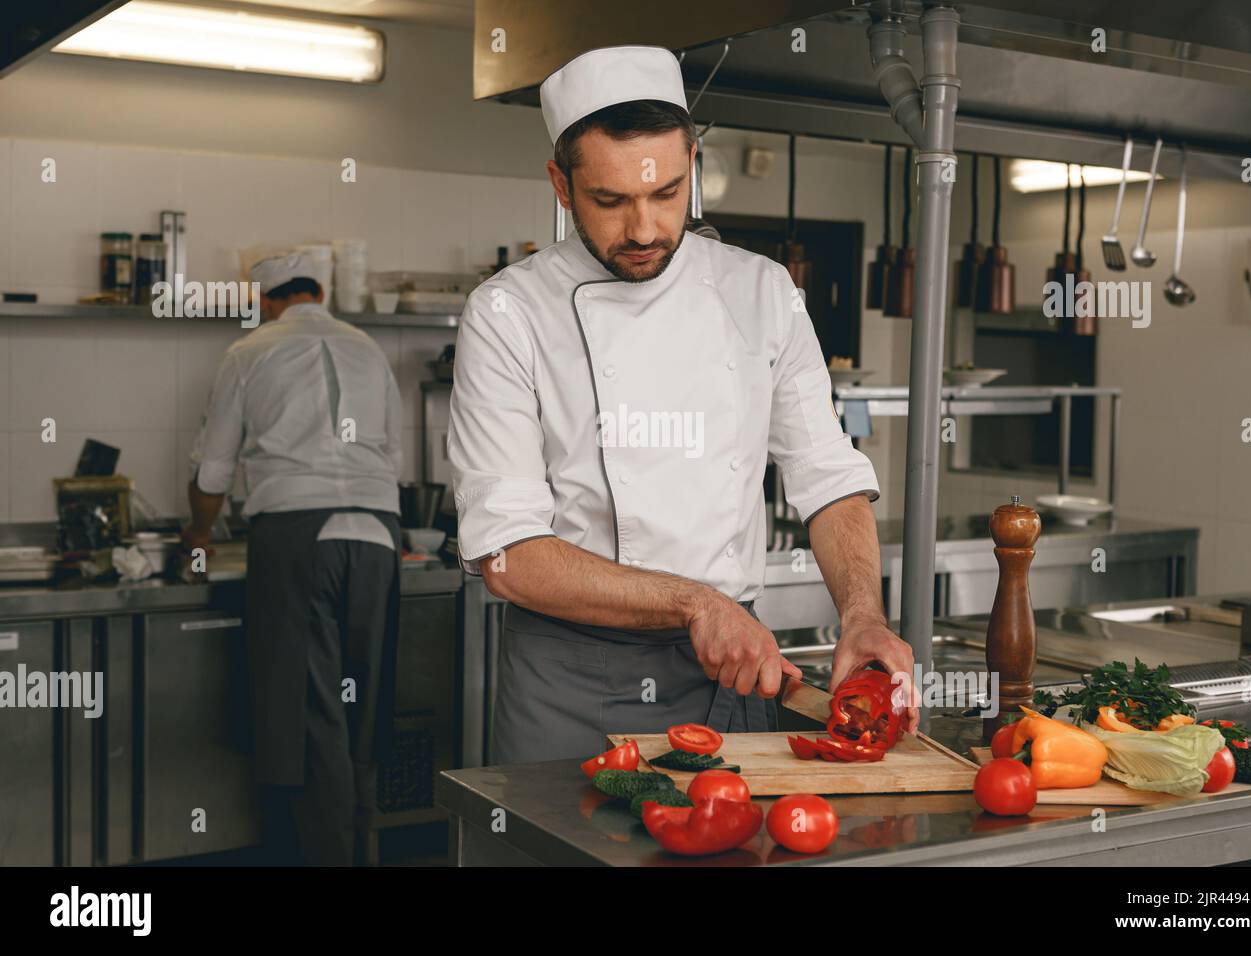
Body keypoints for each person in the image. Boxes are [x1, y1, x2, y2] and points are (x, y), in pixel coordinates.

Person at [448, 46, 917, 766]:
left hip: (735, 671)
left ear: (692, 165)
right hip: (574, 678)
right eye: (610, 201)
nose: (642, 229)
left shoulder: (762, 292)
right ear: (561, 185)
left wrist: (863, 615)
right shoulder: (509, 312)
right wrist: (698, 605)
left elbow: (828, 475)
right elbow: (510, 555)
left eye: (666, 193)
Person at [182, 252, 403, 864]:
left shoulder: (249, 352)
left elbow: (213, 468)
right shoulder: (367, 347)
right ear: (320, 291)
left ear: (264, 301)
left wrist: (198, 537)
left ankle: (327, 857)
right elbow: (396, 460)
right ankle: (366, 848)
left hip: (299, 535)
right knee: (364, 697)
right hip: (379, 534)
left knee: (314, 710)